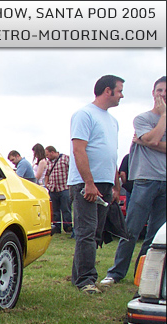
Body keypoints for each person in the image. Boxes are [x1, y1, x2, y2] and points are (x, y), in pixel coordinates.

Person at [101, 75, 167, 285]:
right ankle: (115, 273)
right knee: (131, 230)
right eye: (160, 90)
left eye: (166, 91)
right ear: (153, 93)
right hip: (144, 181)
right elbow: (153, 139)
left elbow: (151, 141)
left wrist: (146, 141)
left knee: (155, 234)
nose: (163, 95)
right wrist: (163, 118)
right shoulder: (142, 119)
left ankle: (145, 274)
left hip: (165, 182)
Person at [68, 74, 124, 294]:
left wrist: (116, 185)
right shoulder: (84, 114)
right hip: (86, 183)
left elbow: (111, 154)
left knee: (95, 233)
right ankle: (86, 280)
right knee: (87, 232)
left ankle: (79, 277)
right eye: (119, 91)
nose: (122, 95)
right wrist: (88, 183)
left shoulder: (113, 121)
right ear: (107, 91)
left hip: (105, 183)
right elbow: (78, 150)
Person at [44, 145, 72, 234]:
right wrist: (47, 184)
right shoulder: (48, 162)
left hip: (64, 188)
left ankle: (68, 227)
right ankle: (56, 227)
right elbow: (47, 174)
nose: (47, 157)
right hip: (53, 189)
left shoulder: (66, 158)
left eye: (47, 155)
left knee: (66, 209)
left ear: (52, 152)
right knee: (55, 210)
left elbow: (71, 170)